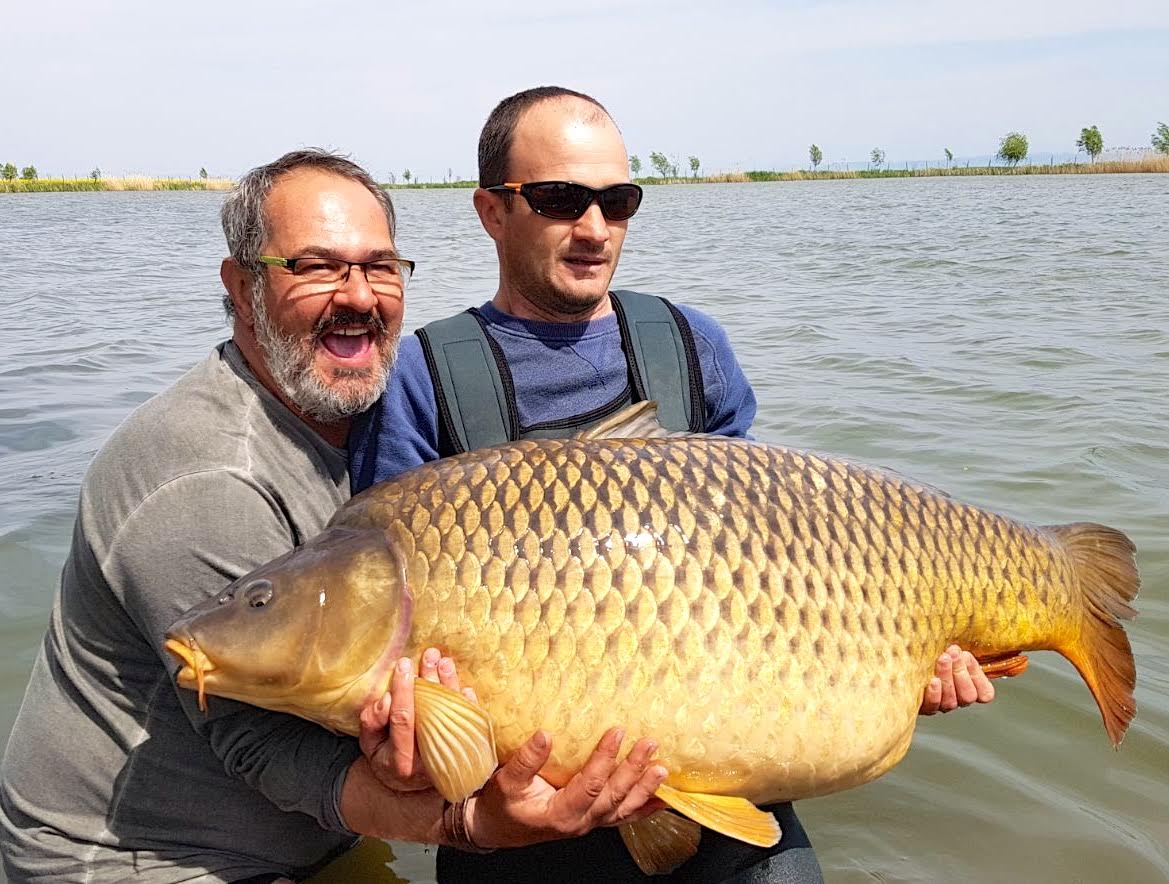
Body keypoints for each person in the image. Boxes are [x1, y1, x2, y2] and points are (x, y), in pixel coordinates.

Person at [349, 87, 996, 883]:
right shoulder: (422, 375)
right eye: (560, 200)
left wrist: (894, 664)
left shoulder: (690, 344)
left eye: (617, 201)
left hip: (721, 778)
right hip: (520, 824)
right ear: (491, 211)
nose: (594, 229)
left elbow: (779, 572)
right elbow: (388, 640)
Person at [0, 149, 668, 884]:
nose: (358, 296)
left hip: (316, 848)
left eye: (380, 267)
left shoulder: (368, 415)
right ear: (242, 284)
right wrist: (474, 824)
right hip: (148, 864)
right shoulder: (203, 473)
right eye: (316, 267)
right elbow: (263, 748)